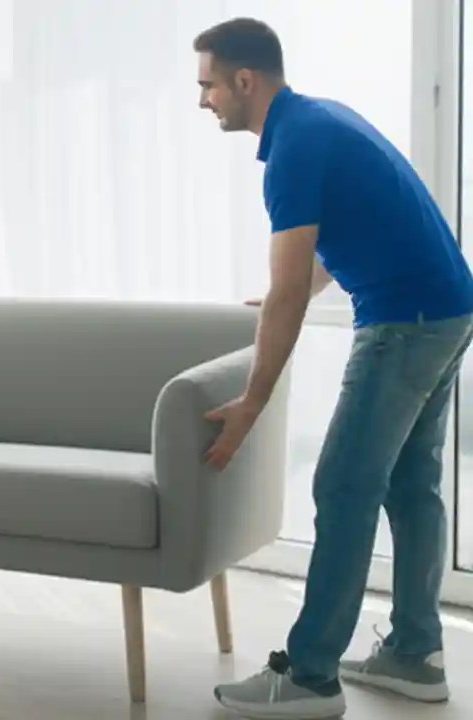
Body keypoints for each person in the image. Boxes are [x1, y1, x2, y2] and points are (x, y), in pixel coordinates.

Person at [193, 17, 473, 719]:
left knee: (344, 483)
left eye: (208, 85)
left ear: (244, 81)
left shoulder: (291, 150)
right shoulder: (318, 121)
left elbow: (287, 289)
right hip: (448, 309)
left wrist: (253, 401)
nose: (204, 101)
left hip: (404, 322)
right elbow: (343, 235)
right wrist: (297, 291)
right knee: (412, 486)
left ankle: (312, 675)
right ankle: (416, 653)